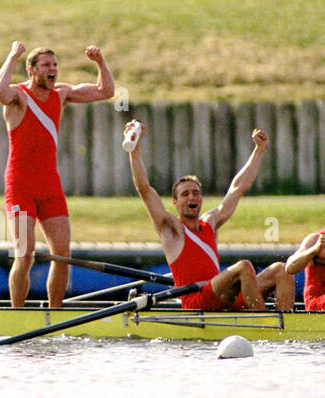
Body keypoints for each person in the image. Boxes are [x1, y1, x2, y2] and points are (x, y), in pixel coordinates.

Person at [0, 41, 115, 308]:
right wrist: (13, 54)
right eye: (46, 65)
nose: (53, 70)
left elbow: (105, 91)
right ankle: (17, 314)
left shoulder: (61, 94)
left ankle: (55, 312)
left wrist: (100, 61)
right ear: (32, 70)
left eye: (55, 65)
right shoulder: (18, 96)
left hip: (50, 186)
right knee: (25, 254)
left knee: (62, 254)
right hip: (20, 186)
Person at [126, 122, 294, 311]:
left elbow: (238, 188)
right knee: (244, 267)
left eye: (196, 193)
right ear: (175, 202)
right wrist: (134, 150)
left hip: (220, 297)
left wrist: (259, 151)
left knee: (282, 270)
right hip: (196, 302)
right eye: (185, 194)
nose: (192, 197)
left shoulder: (210, 222)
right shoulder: (171, 229)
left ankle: (284, 325)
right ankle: (265, 325)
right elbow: (145, 190)